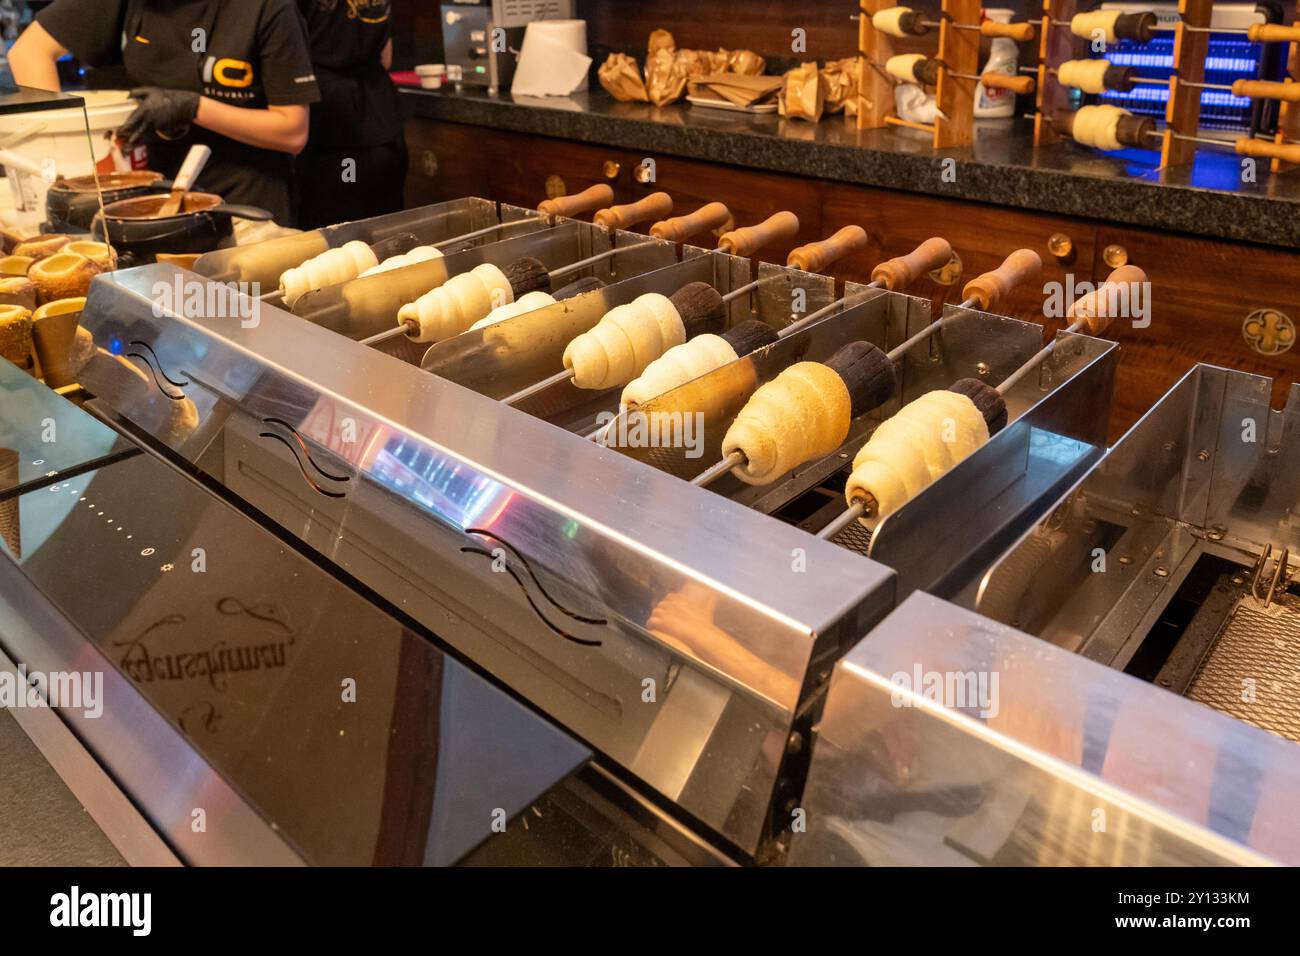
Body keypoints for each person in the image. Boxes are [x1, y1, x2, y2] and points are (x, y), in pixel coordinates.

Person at [8, 0, 320, 225]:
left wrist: (193, 107)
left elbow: (291, 131)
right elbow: (29, 51)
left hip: (244, 196)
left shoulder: (267, 9)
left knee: (236, 307)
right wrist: (62, 150)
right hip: (148, 193)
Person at [293, 0, 405, 229]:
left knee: (332, 248)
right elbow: (386, 58)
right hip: (383, 120)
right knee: (386, 242)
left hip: (329, 125)